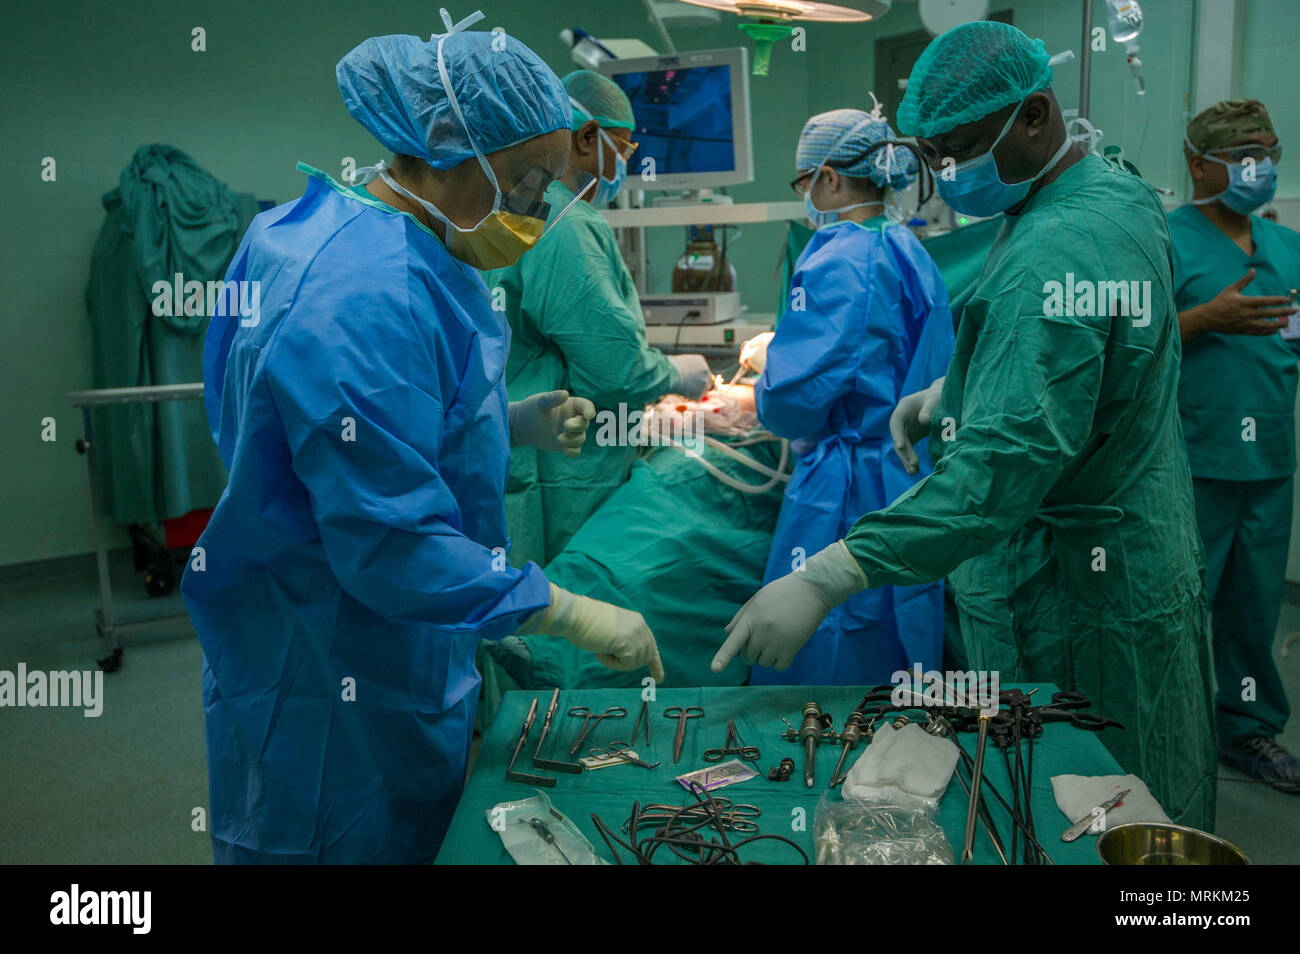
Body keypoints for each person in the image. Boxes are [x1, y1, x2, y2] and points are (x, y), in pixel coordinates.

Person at [713, 21, 1217, 831]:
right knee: (1128, 790)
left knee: (1095, 815)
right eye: (933, 155)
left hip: (1078, 590)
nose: (948, 177)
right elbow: (1095, 359)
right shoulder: (1109, 191)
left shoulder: (1057, 249)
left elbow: (996, 473)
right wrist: (961, 387)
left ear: (1037, 115)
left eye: (964, 149)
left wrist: (826, 575)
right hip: (1134, 545)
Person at [181, 18, 663, 864]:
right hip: (333, 656)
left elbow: (319, 439)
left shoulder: (330, 233)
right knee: (345, 836)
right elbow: (391, 546)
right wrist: (568, 613)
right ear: (449, 150)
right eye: (524, 181)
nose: (534, 208)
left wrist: (503, 426)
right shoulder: (364, 294)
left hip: (348, 624)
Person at [737, 103, 953, 684]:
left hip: (848, 490)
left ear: (829, 178)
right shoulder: (908, 247)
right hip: (907, 475)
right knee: (895, 643)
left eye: (805, 182)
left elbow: (793, 401)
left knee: (830, 656)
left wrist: (768, 366)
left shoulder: (842, 258)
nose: (805, 196)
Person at [487, 69, 711, 568]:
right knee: (568, 622)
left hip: (516, 449)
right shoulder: (568, 225)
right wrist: (678, 374)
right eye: (625, 150)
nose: (626, 165)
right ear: (588, 137)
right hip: (565, 470)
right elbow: (613, 367)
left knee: (520, 623)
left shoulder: (514, 210)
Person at [1172, 99, 1300, 793]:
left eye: (1270, 155)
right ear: (1199, 163)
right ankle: (1169, 728)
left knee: (1254, 606)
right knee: (1178, 606)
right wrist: (1205, 318)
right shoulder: (1165, 242)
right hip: (1193, 460)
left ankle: (1248, 727)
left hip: (1269, 459)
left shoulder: (1286, 247)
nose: (1264, 170)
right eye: (1248, 157)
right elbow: (1132, 342)